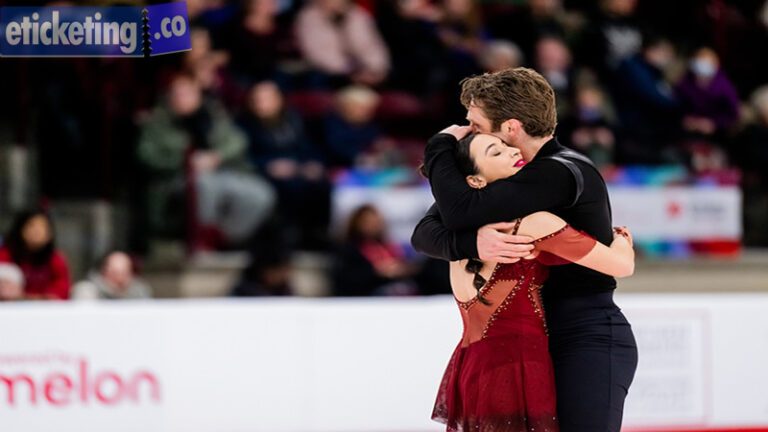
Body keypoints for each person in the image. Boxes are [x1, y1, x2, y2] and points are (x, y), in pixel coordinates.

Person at [411, 68, 638, 432]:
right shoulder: (503, 179)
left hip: (585, 334)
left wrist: (439, 145)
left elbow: (456, 213)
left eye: (475, 124)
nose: (467, 131)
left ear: (511, 127)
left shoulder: (559, 172)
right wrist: (472, 242)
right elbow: (424, 233)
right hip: (530, 343)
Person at [0, 211, 71, 300]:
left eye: (42, 227)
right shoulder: (5, 254)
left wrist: (29, 297)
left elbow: (62, 291)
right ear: (21, 229)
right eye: (32, 226)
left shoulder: (56, 259)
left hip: (45, 307)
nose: (37, 231)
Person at [72, 251, 152, 300]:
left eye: (124, 273)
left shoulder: (139, 291)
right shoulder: (87, 290)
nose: (120, 278)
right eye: (115, 273)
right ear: (104, 272)